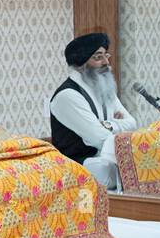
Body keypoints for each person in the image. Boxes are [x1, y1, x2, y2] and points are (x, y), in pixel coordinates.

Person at [49, 31, 138, 189]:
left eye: (106, 55)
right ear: (81, 64)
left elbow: (132, 123)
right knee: (113, 171)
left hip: (104, 157)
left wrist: (108, 124)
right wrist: (115, 125)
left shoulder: (104, 87)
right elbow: (100, 138)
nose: (106, 62)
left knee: (137, 167)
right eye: (98, 57)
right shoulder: (68, 96)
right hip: (76, 164)